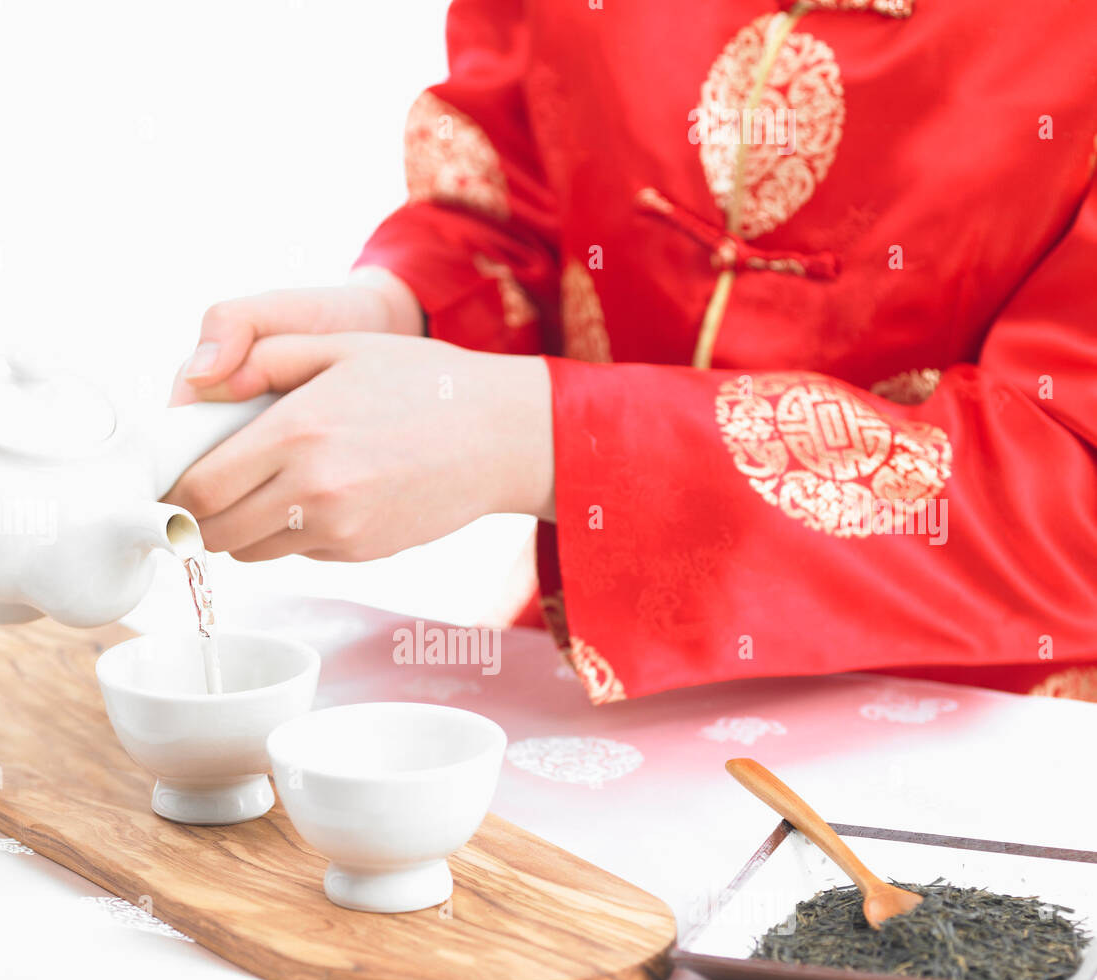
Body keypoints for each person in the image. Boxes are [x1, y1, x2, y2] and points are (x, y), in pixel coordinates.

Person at [166, 0, 1097, 706]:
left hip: (989, 724)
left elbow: (1072, 484)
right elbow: (524, 193)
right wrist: (404, 312)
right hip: (608, 699)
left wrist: (558, 445)